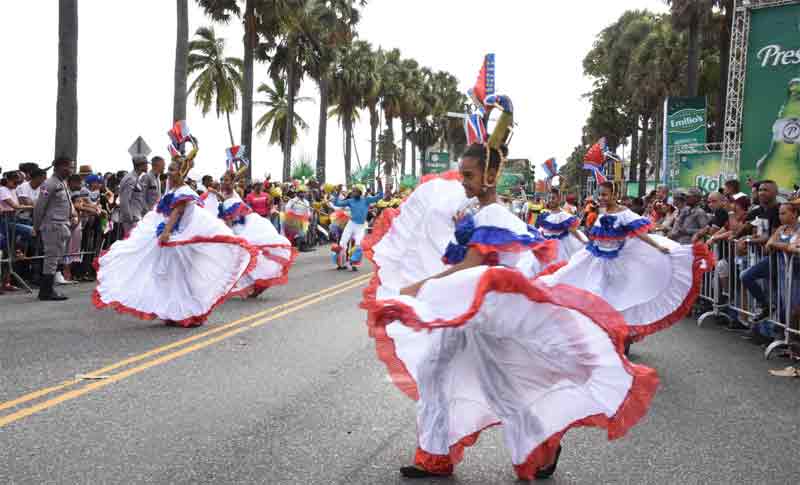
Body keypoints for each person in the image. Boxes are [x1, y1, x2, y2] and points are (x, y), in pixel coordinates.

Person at [360, 143, 658, 480]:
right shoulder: (481, 213)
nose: (464, 181)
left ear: (490, 176)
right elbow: (466, 259)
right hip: (466, 314)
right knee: (433, 374)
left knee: (502, 391)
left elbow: (470, 266)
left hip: (487, 319)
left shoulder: (494, 215)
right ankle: (435, 456)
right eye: (463, 175)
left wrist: (419, 289)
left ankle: (539, 448)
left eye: (469, 175)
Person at [94, 154, 259, 327]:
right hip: (174, 239)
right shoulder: (173, 190)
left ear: (181, 172)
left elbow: (176, 213)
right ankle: (175, 312)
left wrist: (166, 232)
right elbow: (164, 212)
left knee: (180, 278)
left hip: (179, 240)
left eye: (172, 170)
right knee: (171, 278)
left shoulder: (184, 191)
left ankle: (188, 312)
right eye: (169, 170)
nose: (169, 173)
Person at [540, 181, 714, 342]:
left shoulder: (625, 214)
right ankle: (595, 334)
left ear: (615, 195)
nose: (602, 198)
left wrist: (658, 247)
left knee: (617, 299)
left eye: (605, 195)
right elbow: (598, 237)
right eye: (600, 195)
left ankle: (612, 335)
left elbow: (640, 234)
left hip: (616, 263)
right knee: (579, 284)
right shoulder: (602, 212)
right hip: (596, 259)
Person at [218, 172, 296, 298]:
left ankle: (259, 282)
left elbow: (233, 215)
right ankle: (252, 284)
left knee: (249, 254)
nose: (223, 182)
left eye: (226, 180)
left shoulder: (235, 195)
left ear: (232, 182)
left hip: (247, 225)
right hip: (241, 226)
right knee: (241, 257)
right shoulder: (228, 195)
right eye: (222, 180)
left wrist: (229, 234)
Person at [32, 157, 77, 301]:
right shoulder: (49, 184)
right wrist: (36, 226)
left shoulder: (61, 183)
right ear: (59, 167)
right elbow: (40, 207)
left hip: (62, 224)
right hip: (53, 225)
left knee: (54, 258)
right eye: (69, 167)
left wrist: (73, 214)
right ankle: (46, 291)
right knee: (51, 259)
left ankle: (48, 289)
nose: (71, 170)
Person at [737, 180, 781, 323]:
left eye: (766, 190)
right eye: (760, 190)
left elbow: (771, 237)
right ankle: (765, 313)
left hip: (777, 258)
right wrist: (743, 237)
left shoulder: (778, 210)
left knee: (777, 295)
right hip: (759, 256)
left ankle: (775, 327)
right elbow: (742, 231)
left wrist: (748, 241)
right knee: (761, 288)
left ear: (775, 193)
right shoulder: (757, 211)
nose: (761, 193)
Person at [332, 180, 383, 270]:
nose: (353, 192)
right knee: (342, 243)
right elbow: (337, 203)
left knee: (358, 245)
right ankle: (341, 263)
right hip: (351, 224)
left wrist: (379, 183)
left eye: (355, 191)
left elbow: (380, 196)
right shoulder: (350, 201)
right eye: (353, 191)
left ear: (360, 192)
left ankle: (353, 264)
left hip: (361, 227)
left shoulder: (366, 200)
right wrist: (337, 192)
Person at [535, 188, 588, 264]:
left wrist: (582, 240)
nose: (550, 200)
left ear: (559, 199)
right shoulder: (544, 215)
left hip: (560, 249)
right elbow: (541, 230)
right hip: (546, 247)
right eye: (549, 198)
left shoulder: (564, 216)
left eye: (553, 198)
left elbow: (572, 230)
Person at [118, 156, 148, 237]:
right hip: (132, 219)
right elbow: (124, 200)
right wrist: (129, 218)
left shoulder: (135, 177)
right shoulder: (130, 179)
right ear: (140, 165)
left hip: (136, 217)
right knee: (130, 246)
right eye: (146, 164)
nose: (148, 166)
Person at [284, 185, 313, 251]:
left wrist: (309, 216)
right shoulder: (292, 201)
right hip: (295, 219)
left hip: (304, 219)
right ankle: (301, 246)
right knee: (301, 233)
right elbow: (287, 208)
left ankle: (302, 246)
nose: (302, 193)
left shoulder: (306, 202)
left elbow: (308, 211)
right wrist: (292, 216)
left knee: (304, 232)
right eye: (301, 192)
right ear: (297, 193)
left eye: (303, 192)